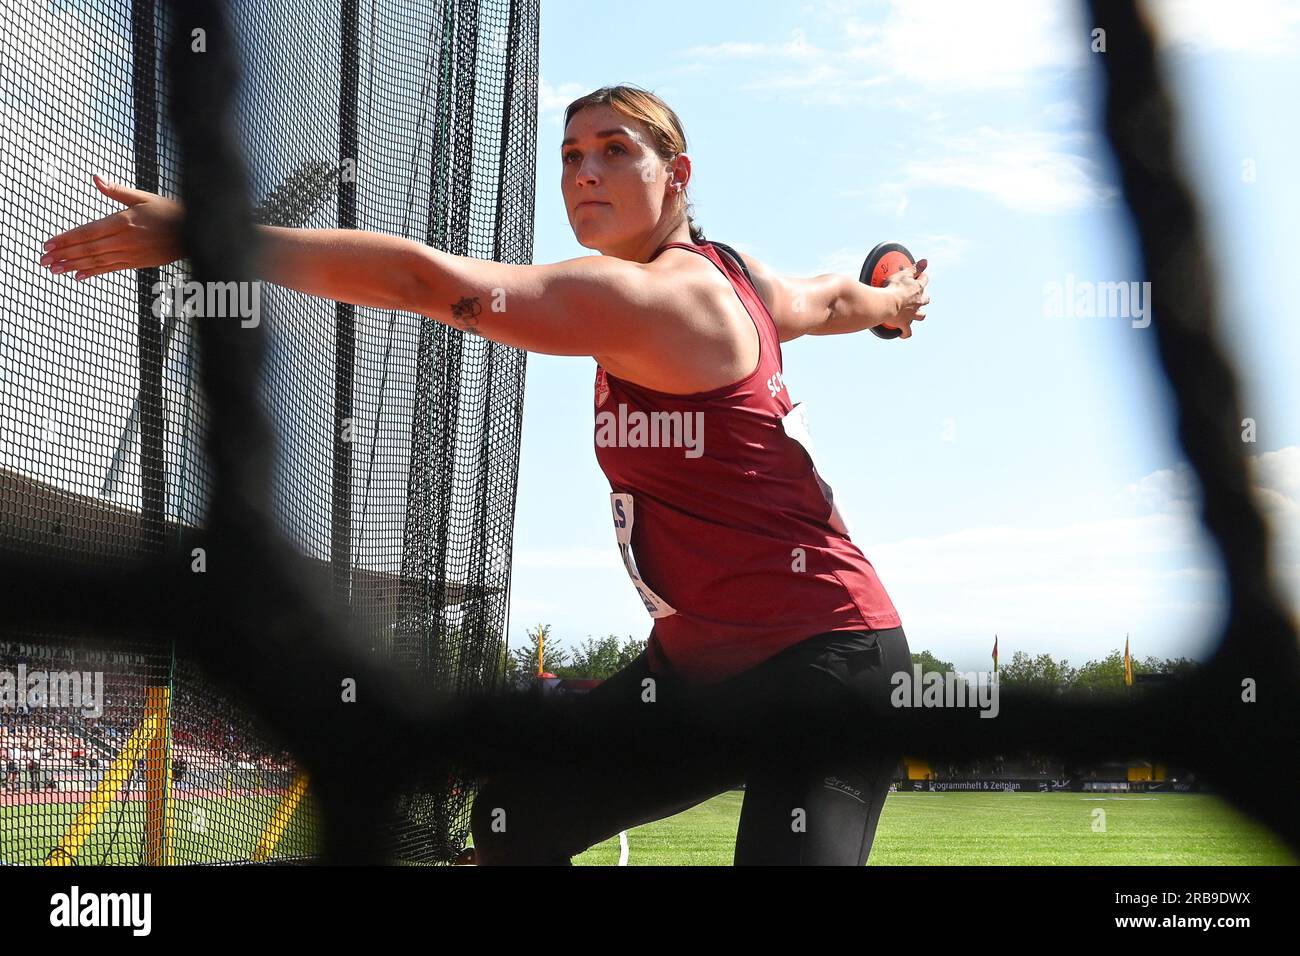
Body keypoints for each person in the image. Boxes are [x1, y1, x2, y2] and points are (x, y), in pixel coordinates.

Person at [39, 83, 930, 865]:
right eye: (572, 155)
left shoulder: (660, 296)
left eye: (616, 152)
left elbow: (430, 284)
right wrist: (894, 303)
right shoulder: (740, 282)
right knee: (513, 820)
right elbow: (832, 297)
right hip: (696, 673)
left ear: (678, 173)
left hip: (828, 662)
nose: (585, 171)